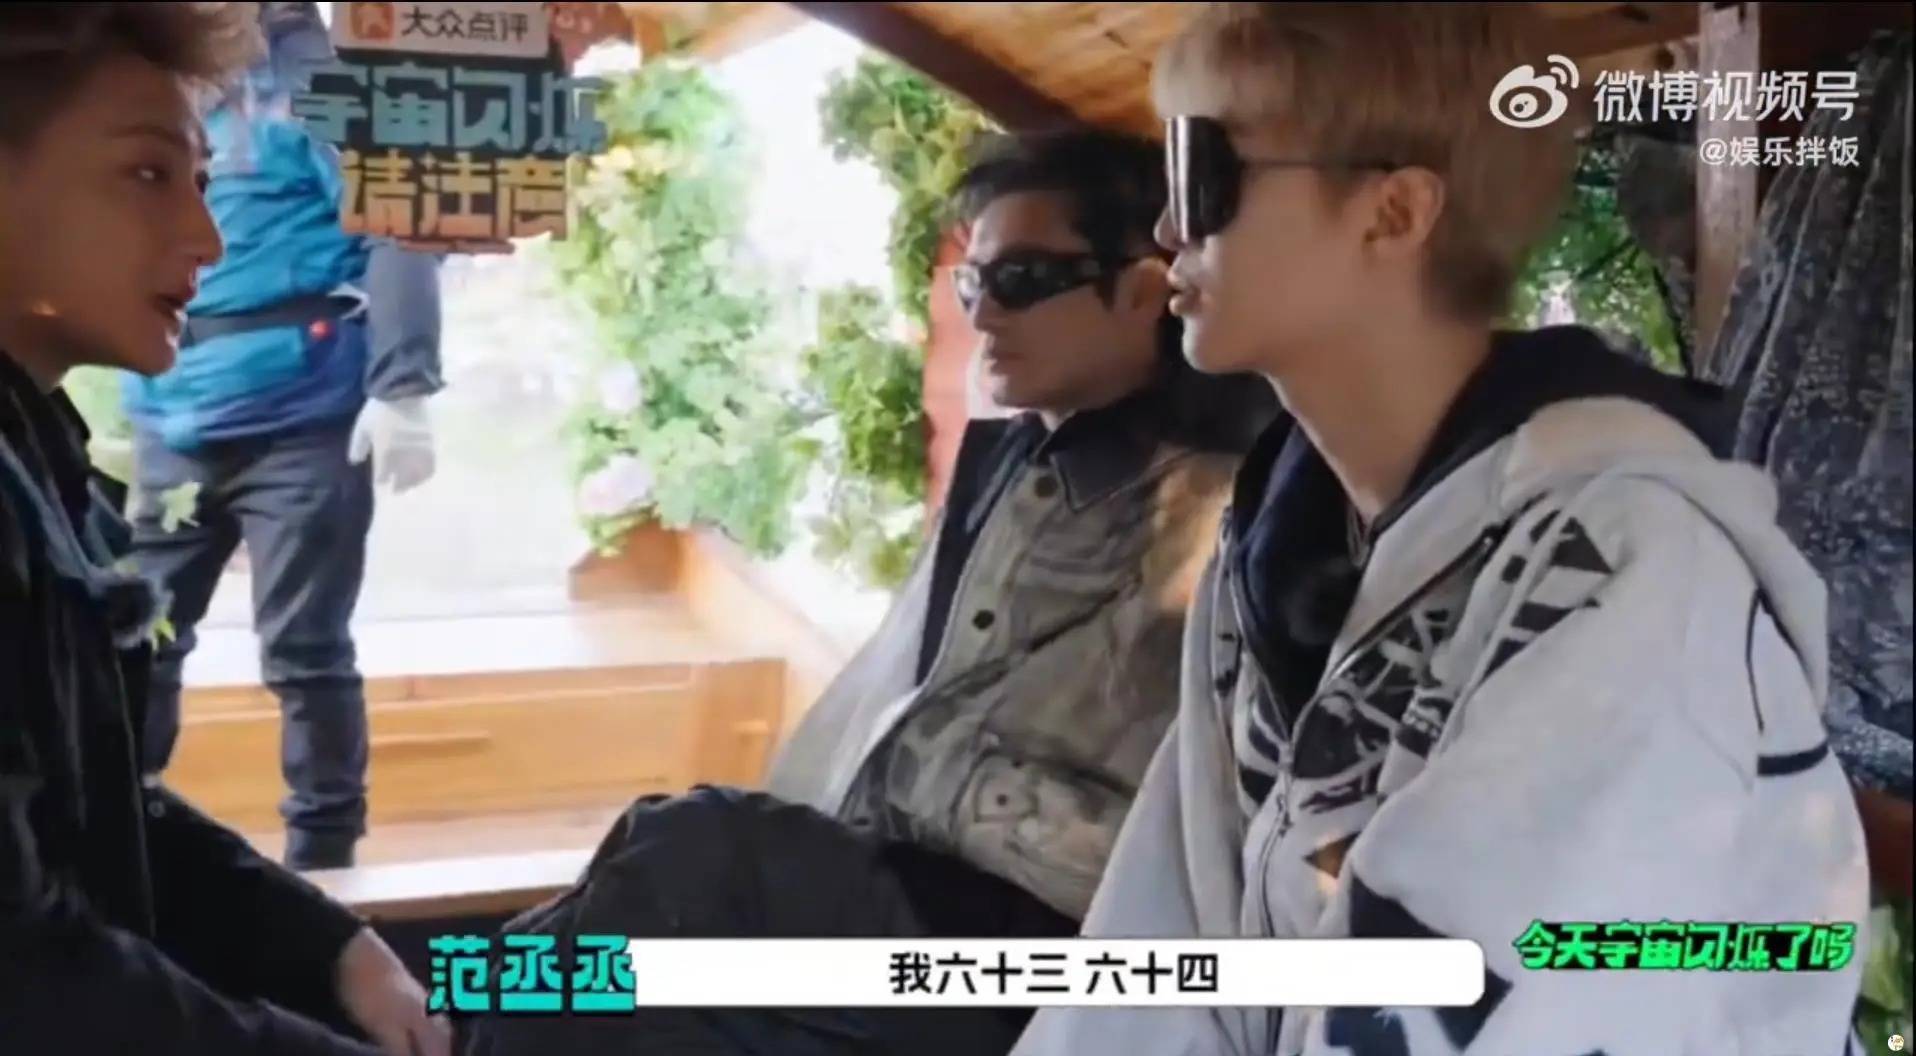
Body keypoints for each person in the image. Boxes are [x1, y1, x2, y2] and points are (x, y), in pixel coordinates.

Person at [1012, 5, 1871, 1055]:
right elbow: (1161, 941)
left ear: (1392, 212)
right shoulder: (1271, 552)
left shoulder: (1634, 572)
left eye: (1203, 172)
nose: (1164, 229)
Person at [466, 129, 1275, 1056]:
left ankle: (448, 1013)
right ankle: (456, 1012)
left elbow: (1199, 827)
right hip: (910, 897)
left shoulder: (1225, 513)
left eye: (1021, 279)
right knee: (634, 941)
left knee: (693, 849)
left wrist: (926, 784)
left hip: (1040, 945)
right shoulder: (1018, 467)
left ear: (1141, 290)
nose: (985, 313)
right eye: (973, 284)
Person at [0, 4, 449, 1054]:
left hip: (305, 401)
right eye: (148, 174)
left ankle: (328, 838)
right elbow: (24, 972)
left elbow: (100, 810)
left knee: (307, 651)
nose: (207, 237)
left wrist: (333, 946)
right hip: (195, 421)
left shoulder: (42, 457)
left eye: (200, 181)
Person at [121, 0, 445, 872]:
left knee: (305, 651)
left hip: (303, 417)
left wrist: (404, 385)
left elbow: (396, 219)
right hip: (171, 414)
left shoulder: (325, 83)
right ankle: (116, 835)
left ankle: (326, 858)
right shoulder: (152, 76)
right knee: (139, 641)